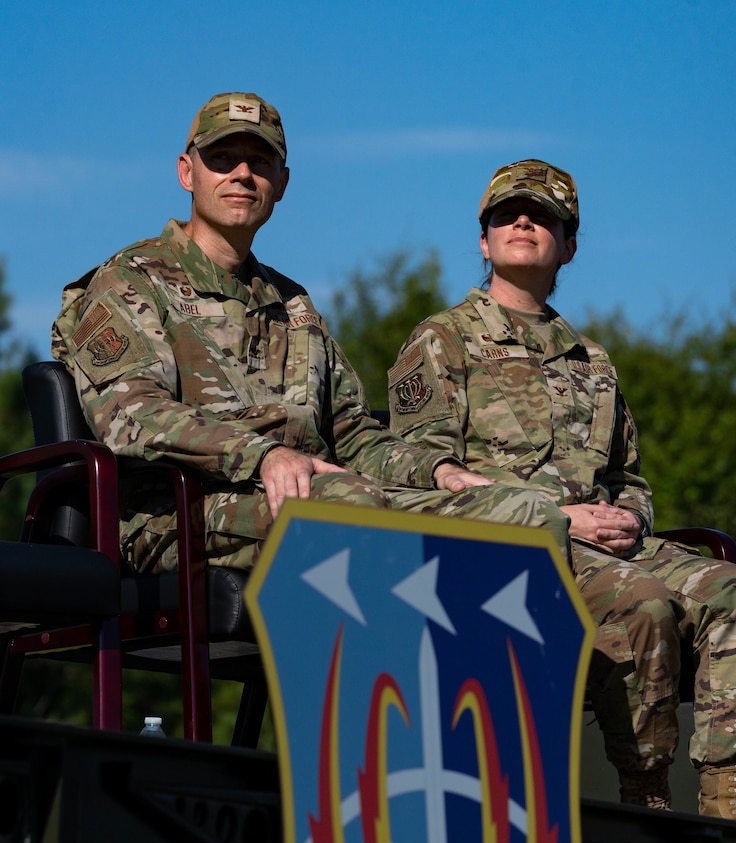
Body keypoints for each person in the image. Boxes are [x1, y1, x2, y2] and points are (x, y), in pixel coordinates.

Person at [386, 158, 736, 822]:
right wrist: (560, 519)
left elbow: (628, 478)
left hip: (610, 545)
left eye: (541, 217)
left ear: (568, 246)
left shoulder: (591, 360)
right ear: (483, 241)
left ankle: (726, 800)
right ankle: (644, 799)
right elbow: (418, 468)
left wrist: (630, 518)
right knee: (643, 602)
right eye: (506, 215)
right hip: (510, 546)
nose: (522, 223)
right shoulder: (442, 340)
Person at [51, 92, 557, 577]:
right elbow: (133, 413)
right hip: (177, 512)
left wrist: (437, 472)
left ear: (282, 182)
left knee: (523, 514)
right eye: (222, 158)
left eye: (259, 162)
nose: (242, 174)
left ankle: (469, 642)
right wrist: (263, 455)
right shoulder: (132, 280)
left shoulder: (293, 304)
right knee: (352, 507)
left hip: (316, 494)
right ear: (187, 172)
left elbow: (351, 434)